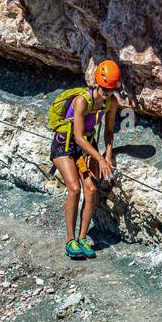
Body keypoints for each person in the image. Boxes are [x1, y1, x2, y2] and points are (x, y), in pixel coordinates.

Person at [49, 59, 121, 259]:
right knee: (74, 188)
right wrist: (100, 159)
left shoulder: (111, 102)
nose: (107, 92)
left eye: (111, 88)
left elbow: (108, 131)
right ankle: (70, 240)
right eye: (105, 88)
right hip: (65, 145)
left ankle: (82, 238)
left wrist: (108, 153)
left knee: (91, 189)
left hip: (84, 149)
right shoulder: (81, 101)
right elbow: (78, 137)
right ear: (98, 82)